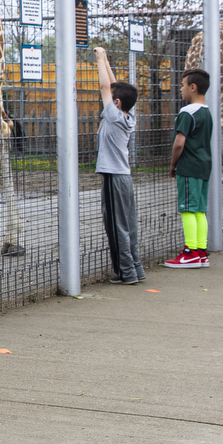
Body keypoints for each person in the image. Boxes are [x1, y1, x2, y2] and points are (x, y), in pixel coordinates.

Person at [92, 47, 142, 284]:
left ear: (117, 103)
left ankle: (126, 273)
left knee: (116, 226)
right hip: (124, 178)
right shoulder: (128, 116)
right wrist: (108, 61)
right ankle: (136, 269)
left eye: (112, 99)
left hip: (113, 178)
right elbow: (112, 88)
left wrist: (101, 59)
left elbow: (105, 88)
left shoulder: (113, 115)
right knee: (128, 224)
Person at [165, 68, 213, 269]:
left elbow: (179, 143)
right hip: (204, 165)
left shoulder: (187, 112)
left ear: (193, 87)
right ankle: (201, 252)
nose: (180, 89)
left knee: (187, 209)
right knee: (200, 210)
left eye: (183, 85)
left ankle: (190, 252)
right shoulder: (207, 111)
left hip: (189, 166)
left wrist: (174, 163)